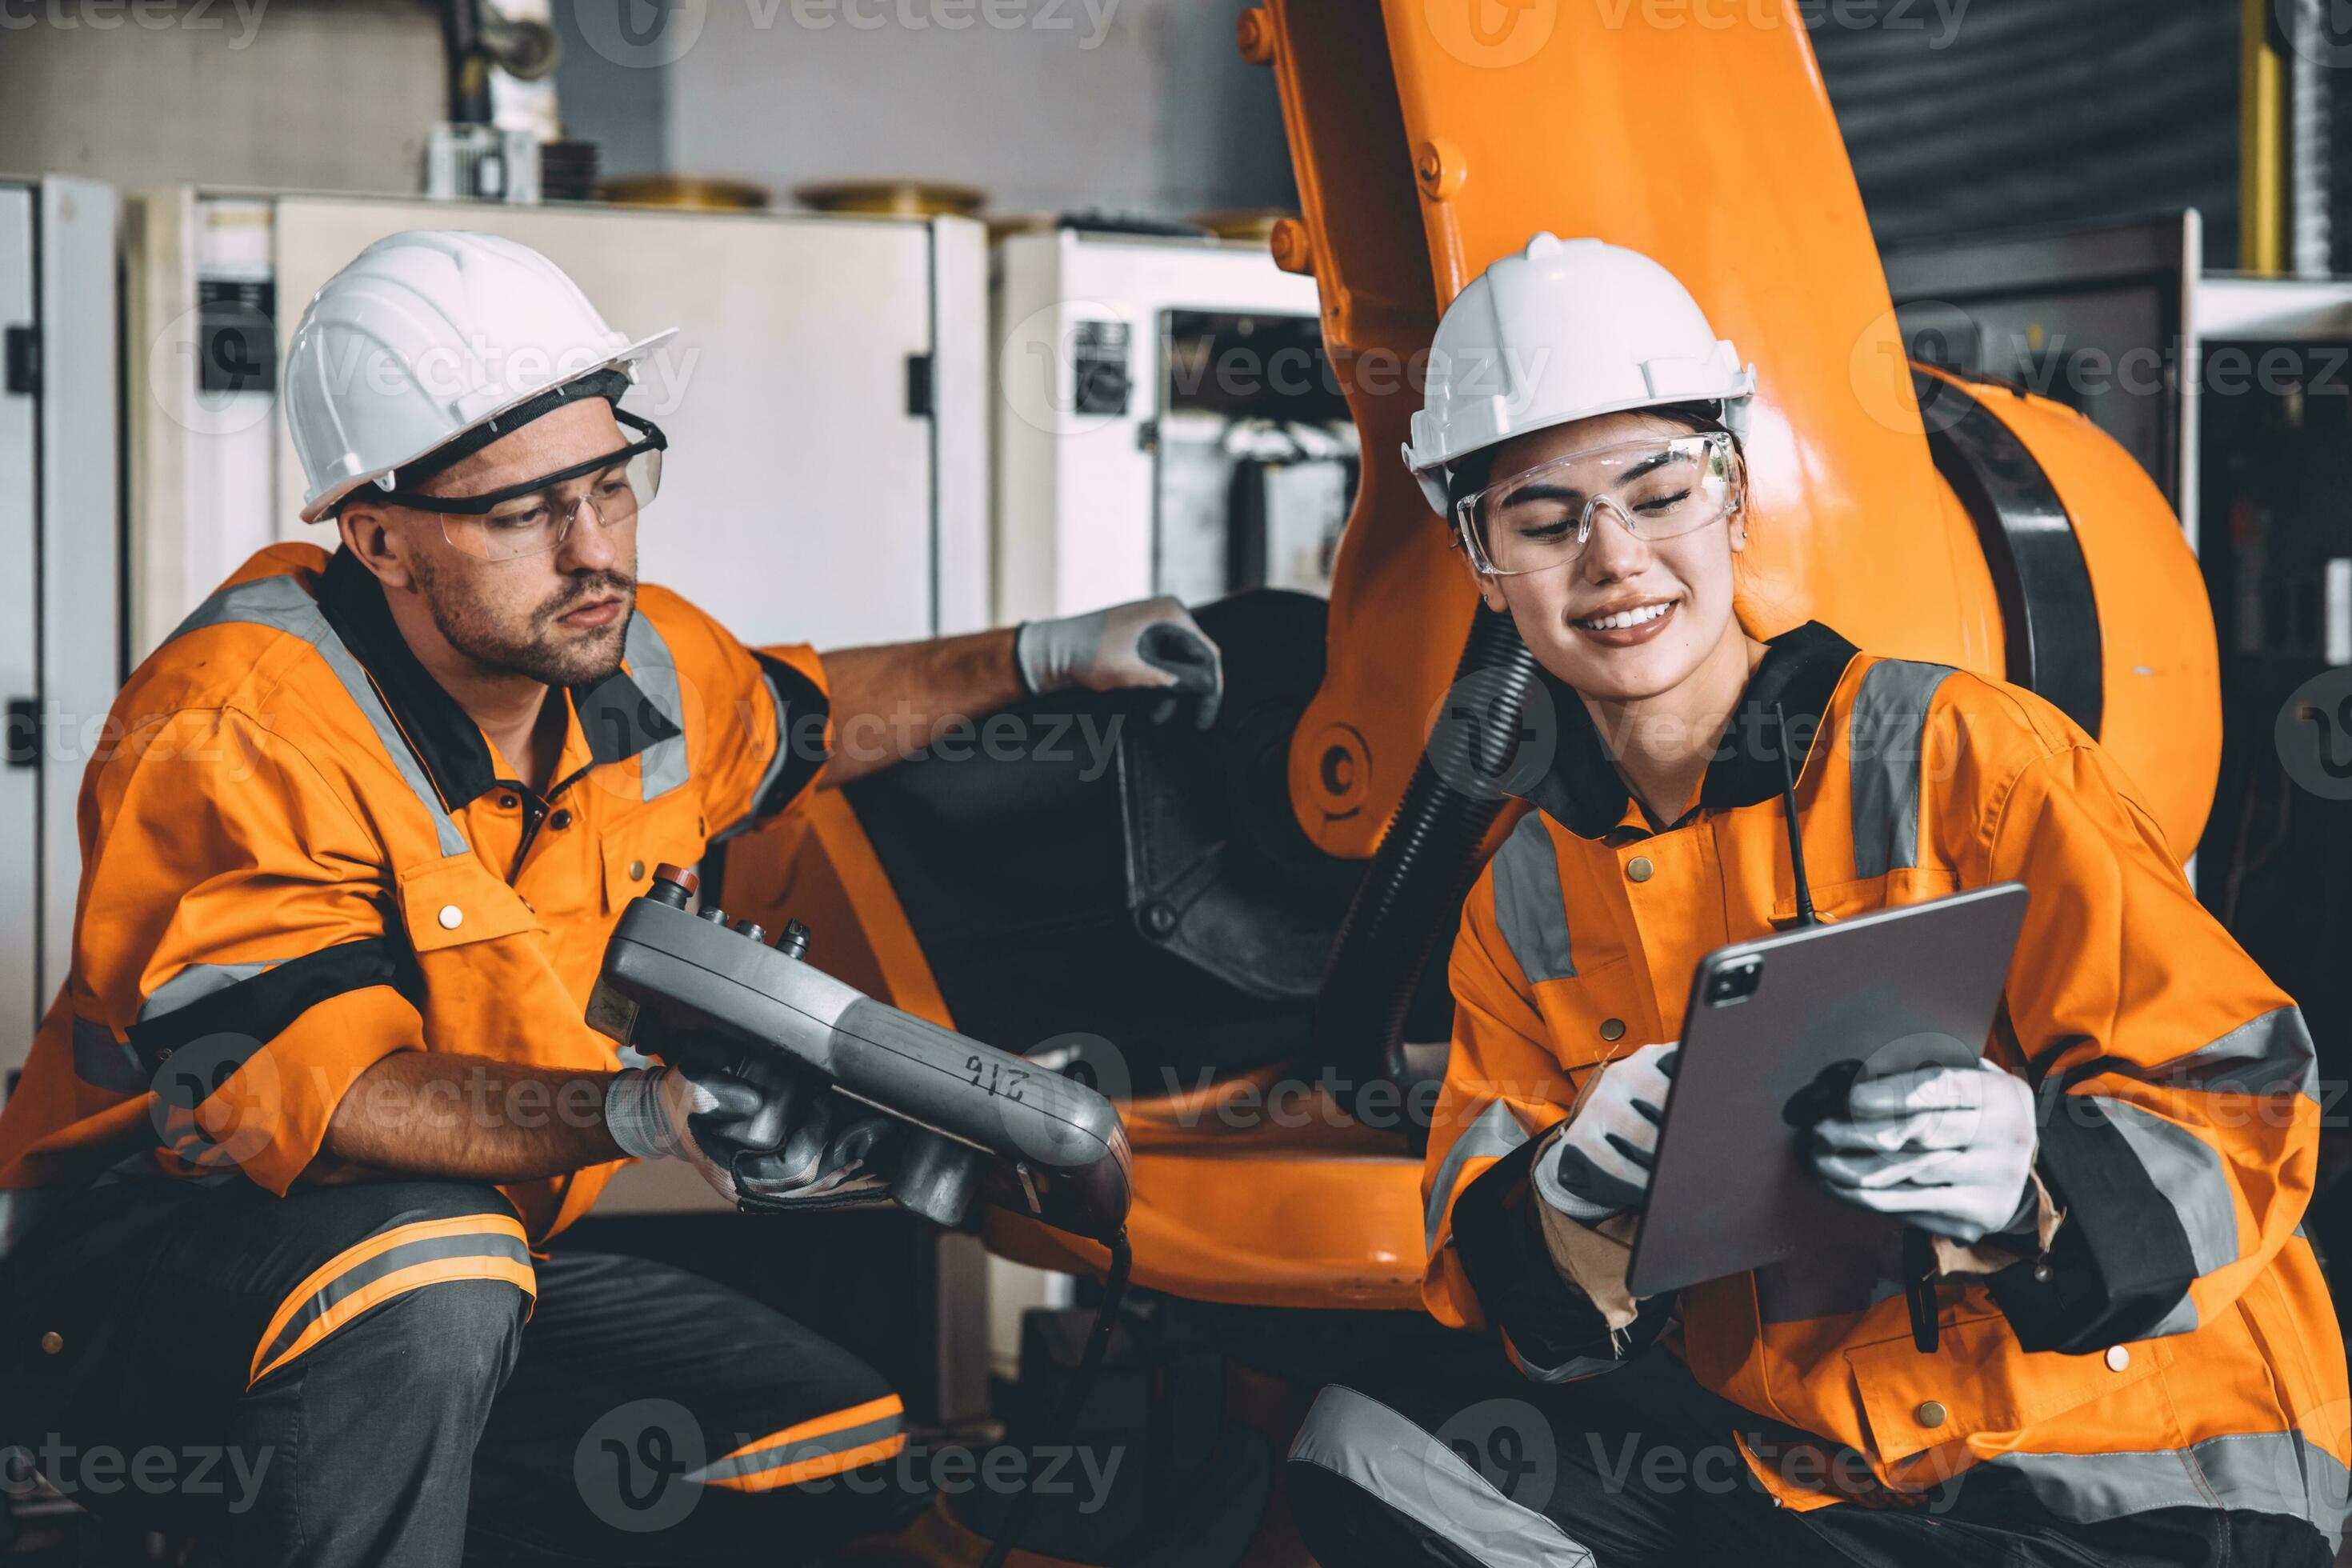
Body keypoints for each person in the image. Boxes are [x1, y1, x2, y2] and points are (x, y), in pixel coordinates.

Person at [0, 230, 1223, 1564]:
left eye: (613, 484)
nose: (594, 552)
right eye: (525, 512)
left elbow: (803, 714)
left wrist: (1046, 656)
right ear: (381, 539)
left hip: (474, 1283)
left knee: (821, 1443)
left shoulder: (625, 665)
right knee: (434, 1266)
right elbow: (329, 1100)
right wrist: (640, 1112)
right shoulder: (239, 725)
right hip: (150, 1295)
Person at [1286, 234, 2349, 1566]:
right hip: (1821, 1481)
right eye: (1547, 521)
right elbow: (1495, 1282)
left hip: (2141, 1478)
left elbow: (2245, 1097)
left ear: (1733, 494)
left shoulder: (1966, 754)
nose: (1614, 561)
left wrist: (2037, 1181)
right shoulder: (1521, 897)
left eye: (1657, 493)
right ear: (1482, 560)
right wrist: (1567, 1202)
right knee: (1373, 1451)